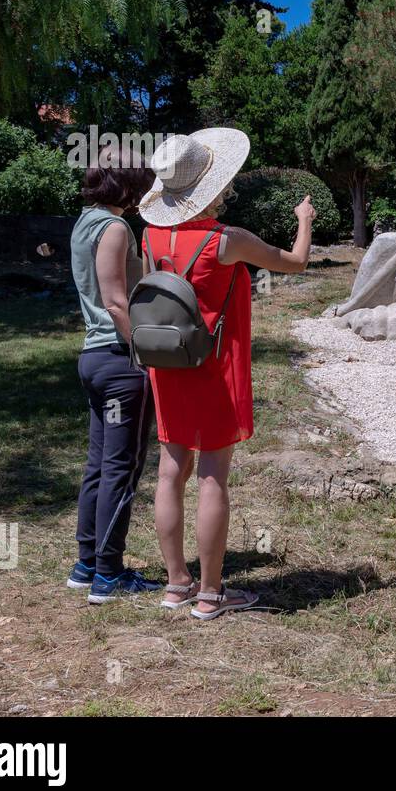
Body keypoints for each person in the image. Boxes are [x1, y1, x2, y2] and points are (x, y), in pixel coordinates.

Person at [137, 129, 315, 619]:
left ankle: (177, 584)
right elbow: (295, 263)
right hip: (212, 370)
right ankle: (212, 595)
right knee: (213, 475)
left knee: (171, 470)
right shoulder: (226, 240)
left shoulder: (150, 235)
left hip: (168, 365)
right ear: (213, 187)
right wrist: (304, 221)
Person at [69, 145, 161, 602]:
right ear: (126, 185)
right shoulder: (115, 227)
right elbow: (115, 302)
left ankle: (86, 564)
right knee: (121, 469)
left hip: (93, 356)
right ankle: (109, 574)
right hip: (118, 359)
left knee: (99, 466)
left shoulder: (84, 222)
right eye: (141, 182)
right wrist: (143, 352)